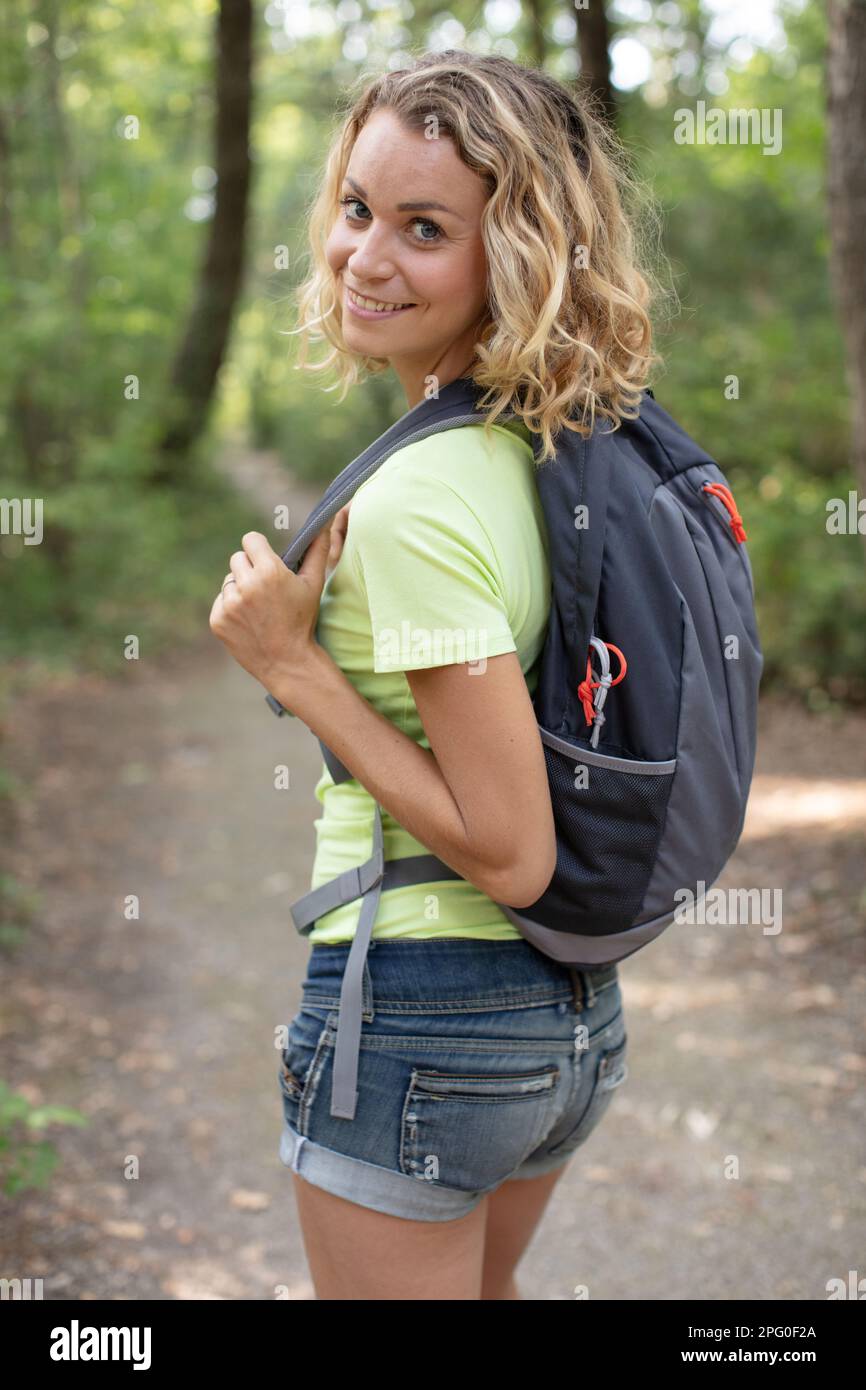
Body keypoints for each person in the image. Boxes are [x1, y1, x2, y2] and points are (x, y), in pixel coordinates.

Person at [210, 48, 660, 1300]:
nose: (364, 255)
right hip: (562, 1019)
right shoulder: (556, 449)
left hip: (421, 1015)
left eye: (424, 229)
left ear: (509, 256)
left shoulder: (416, 500)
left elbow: (508, 847)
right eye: (357, 209)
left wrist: (293, 666)